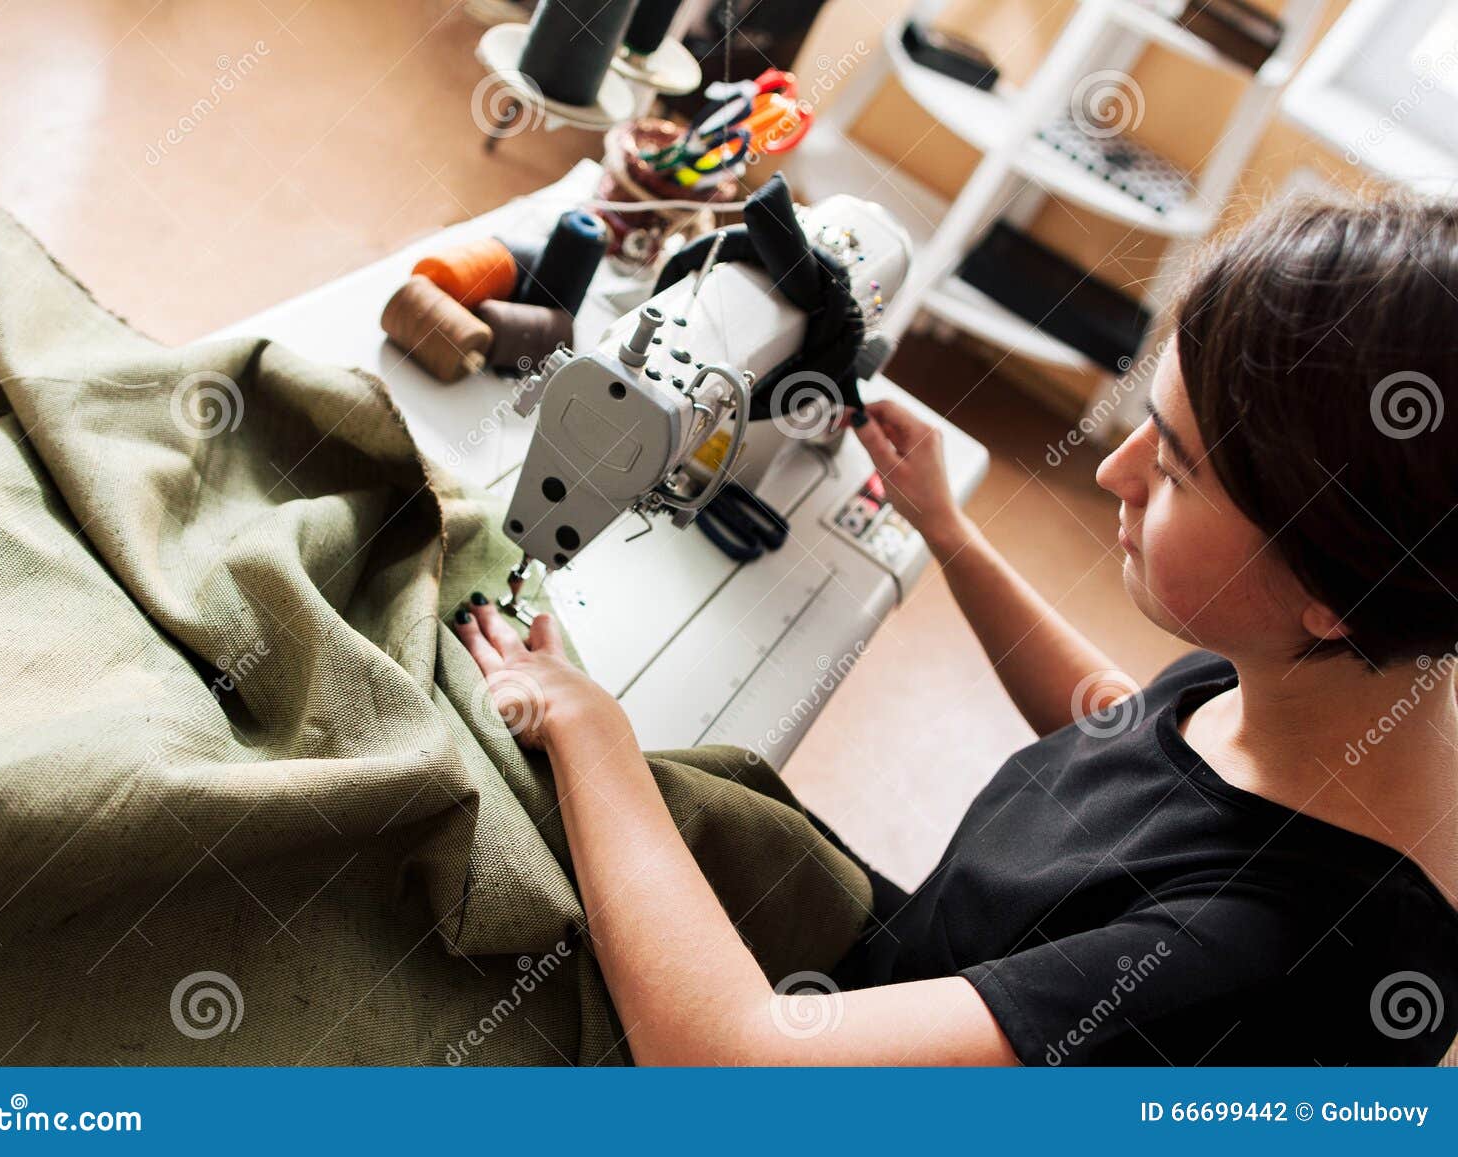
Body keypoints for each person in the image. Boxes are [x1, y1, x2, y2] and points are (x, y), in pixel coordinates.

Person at [454, 192, 1458, 1065]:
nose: (1116, 470)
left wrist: (593, 734)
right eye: (1148, 422)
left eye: (1178, 469)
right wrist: (948, 532)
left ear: (1336, 585)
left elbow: (737, 1066)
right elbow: (1142, 748)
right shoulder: (1326, 698)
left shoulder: (1266, 961)